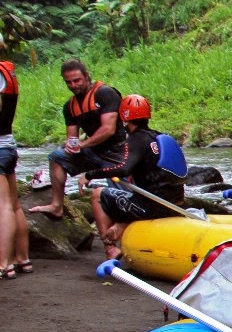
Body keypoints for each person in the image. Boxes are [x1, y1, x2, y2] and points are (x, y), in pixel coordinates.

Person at [90, 94, 186, 260]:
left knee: (97, 194)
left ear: (124, 118)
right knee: (129, 189)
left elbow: (124, 169)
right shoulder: (160, 137)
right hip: (176, 204)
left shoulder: (136, 138)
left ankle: (110, 250)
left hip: (154, 207)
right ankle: (121, 224)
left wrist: (90, 174)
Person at [28, 59, 126, 219]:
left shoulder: (105, 93)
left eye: (77, 80)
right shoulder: (70, 107)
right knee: (56, 158)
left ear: (86, 76)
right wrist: (71, 145)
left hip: (119, 152)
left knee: (122, 196)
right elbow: (72, 138)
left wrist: (83, 144)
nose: (73, 85)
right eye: (69, 82)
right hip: (94, 152)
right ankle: (56, 205)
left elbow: (108, 129)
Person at [1, 59, 33, 279]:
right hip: (8, 144)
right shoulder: (6, 71)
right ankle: (23, 259)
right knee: (13, 205)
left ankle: (4, 264)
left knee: (3, 206)